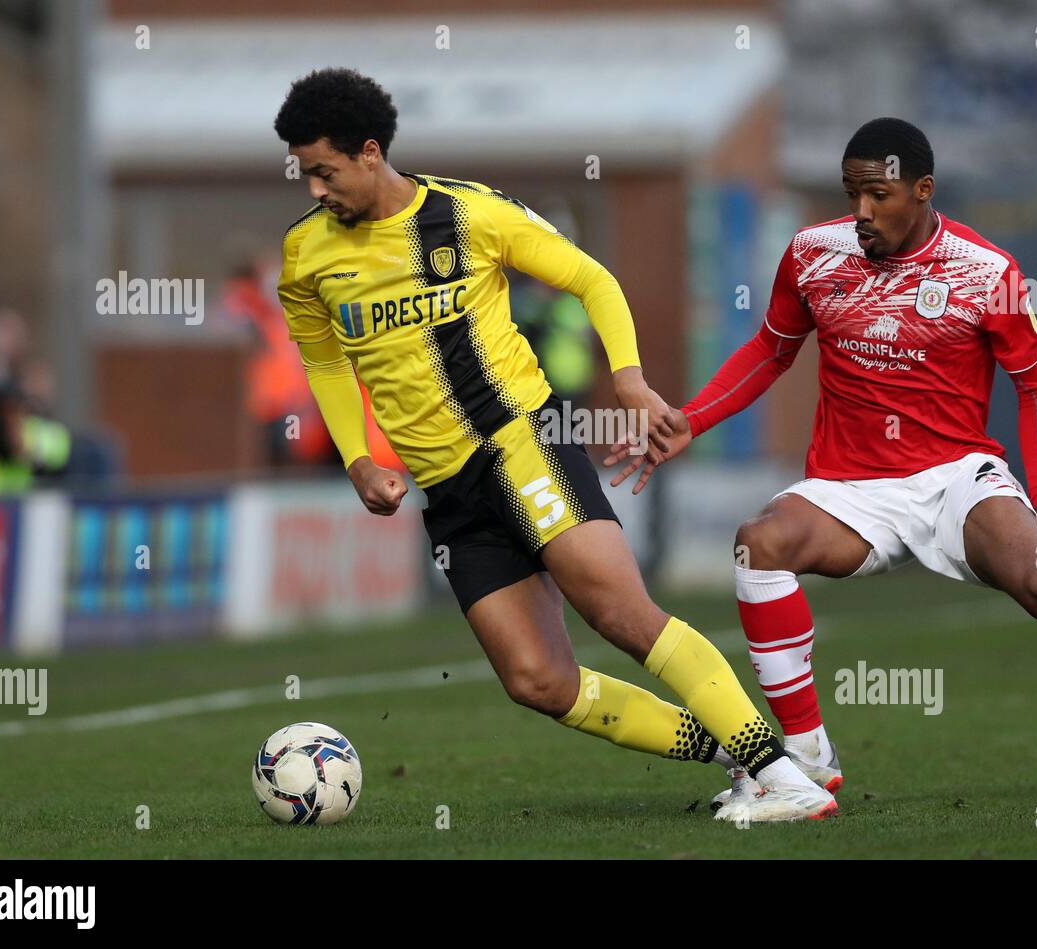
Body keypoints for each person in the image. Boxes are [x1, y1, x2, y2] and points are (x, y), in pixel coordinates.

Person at [606, 117, 1037, 813]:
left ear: (923, 189)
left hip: (955, 476)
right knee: (761, 543)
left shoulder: (985, 270)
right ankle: (808, 754)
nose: (861, 212)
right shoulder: (813, 254)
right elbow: (770, 350)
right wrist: (692, 419)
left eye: (878, 194)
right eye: (851, 194)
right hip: (851, 486)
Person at [272, 67, 835, 822]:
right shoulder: (306, 256)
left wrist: (630, 381)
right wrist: (359, 458)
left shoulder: (469, 215)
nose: (314, 189)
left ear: (370, 153)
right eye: (304, 172)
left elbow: (593, 279)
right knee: (538, 680)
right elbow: (323, 358)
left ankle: (787, 781)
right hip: (449, 492)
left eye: (323, 170)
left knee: (622, 614)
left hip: (519, 447)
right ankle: (747, 755)